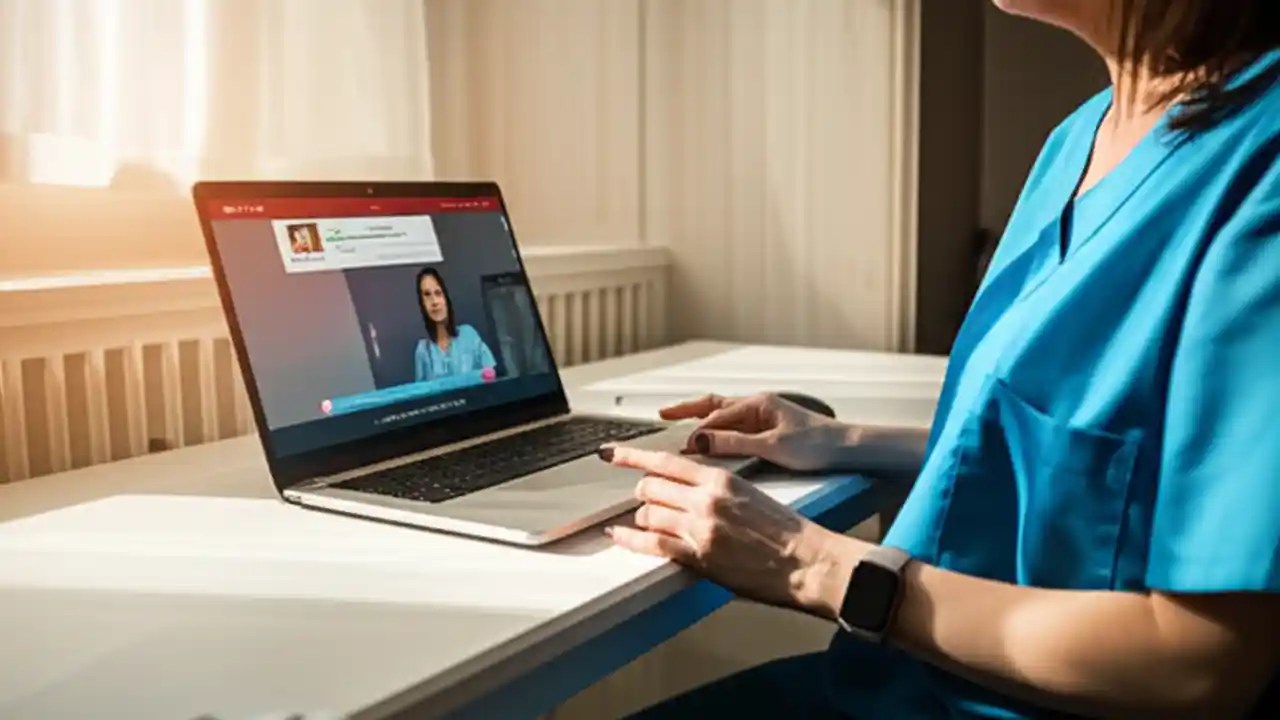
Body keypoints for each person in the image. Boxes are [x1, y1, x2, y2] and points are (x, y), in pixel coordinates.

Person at [598, 1, 1280, 717]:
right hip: (902, 681)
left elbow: (1199, 661)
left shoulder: (1260, 169)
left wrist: (812, 564)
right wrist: (841, 440)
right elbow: (1095, 467)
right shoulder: (1083, 135)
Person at [413, 267, 496, 382]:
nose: (434, 302)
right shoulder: (422, 350)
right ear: (422, 304)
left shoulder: (469, 335)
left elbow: (490, 375)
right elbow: (421, 395)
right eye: (427, 295)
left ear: (446, 297)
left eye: (438, 293)